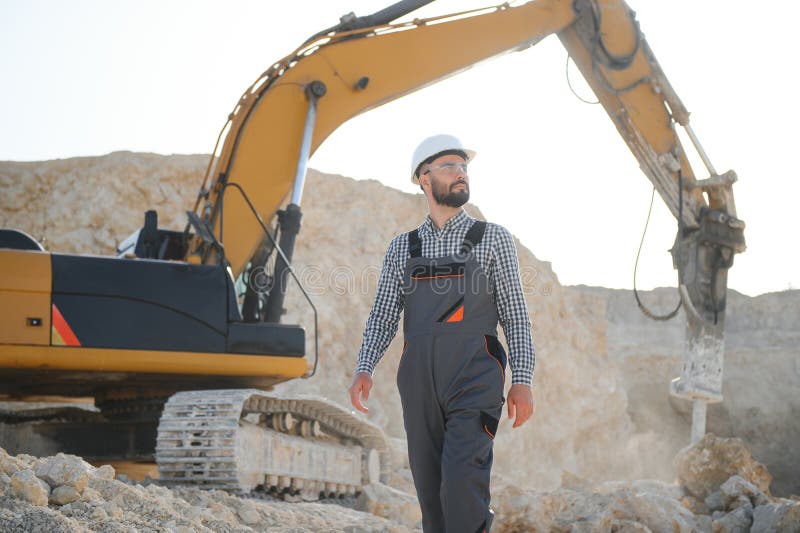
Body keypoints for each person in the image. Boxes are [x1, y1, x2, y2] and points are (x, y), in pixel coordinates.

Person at [349, 134, 535, 532]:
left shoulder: (493, 239)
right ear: (423, 178)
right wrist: (365, 367)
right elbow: (383, 315)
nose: (460, 174)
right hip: (419, 383)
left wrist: (522, 380)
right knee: (431, 497)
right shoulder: (403, 248)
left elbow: (516, 317)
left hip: (475, 376)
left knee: (462, 484)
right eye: (450, 166)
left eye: (464, 167)